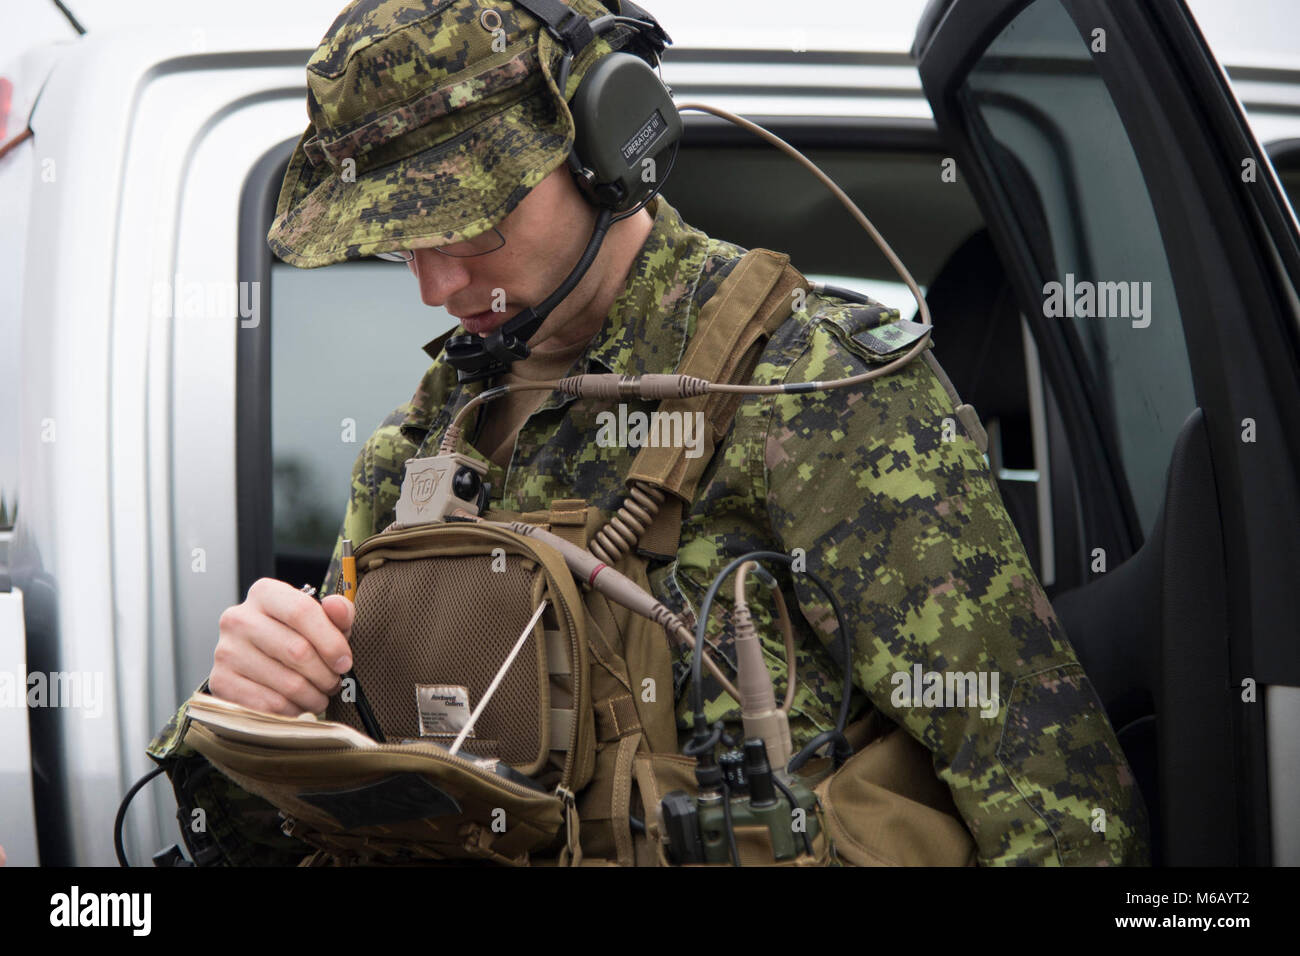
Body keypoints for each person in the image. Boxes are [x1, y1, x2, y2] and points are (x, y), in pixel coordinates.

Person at [148, 0, 1150, 866]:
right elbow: (285, 832)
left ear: (603, 140)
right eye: (403, 238)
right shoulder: (421, 452)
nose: (438, 283)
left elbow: (1046, 788)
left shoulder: (811, 388)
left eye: (471, 222)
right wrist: (248, 719)